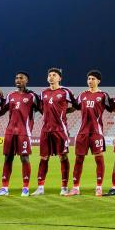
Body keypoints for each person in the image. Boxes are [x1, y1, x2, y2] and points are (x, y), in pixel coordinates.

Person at [0, 71, 40, 196]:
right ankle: (4, 188)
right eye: (16, 78)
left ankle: (25, 188)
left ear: (26, 81)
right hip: (10, 132)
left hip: (24, 132)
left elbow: (44, 110)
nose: (18, 79)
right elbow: (3, 110)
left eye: (21, 78)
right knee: (7, 158)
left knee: (24, 158)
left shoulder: (32, 96)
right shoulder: (11, 95)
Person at [69, 70, 113, 197]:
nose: (90, 81)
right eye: (88, 78)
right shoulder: (82, 95)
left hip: (96, 132)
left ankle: (99, 187)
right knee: (79, 159)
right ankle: (75, 188)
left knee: (99, 158)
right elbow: (74, 107)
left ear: (98, 81)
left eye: (93, 79)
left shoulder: (103, 95)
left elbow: (113, 108)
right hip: (82, 132)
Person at [34, 68, 76, 196]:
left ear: (60, 78)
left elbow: (75, 105)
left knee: (63, 157)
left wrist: (63, 112)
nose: (51, 77)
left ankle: (64, 187)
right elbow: (42, 108)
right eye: (50, 75)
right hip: (46, 130)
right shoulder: (43, 93)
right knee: (43, 158)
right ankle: (40, 188)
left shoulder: (65, 92)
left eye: (54, 75)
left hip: (60, 130)